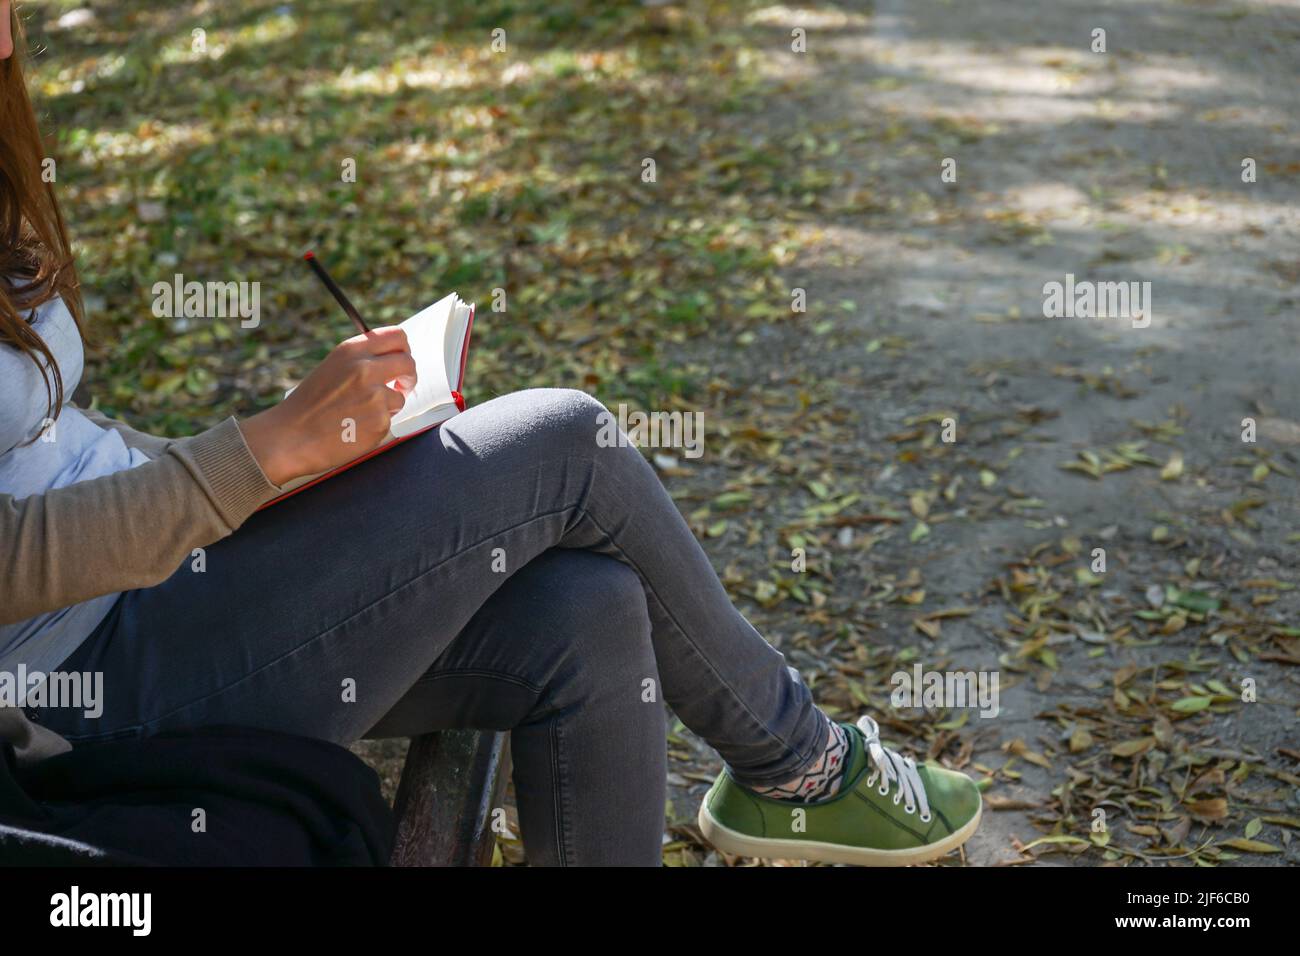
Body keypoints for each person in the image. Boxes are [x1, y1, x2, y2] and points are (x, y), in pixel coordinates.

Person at [0, 0, 980, 866]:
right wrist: (252, 456)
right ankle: (799, 766)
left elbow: (48, 426)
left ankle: (789, 768)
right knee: (567, 437)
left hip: (162, 585)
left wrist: (271, 470)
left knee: (584, 608)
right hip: (79, 687)